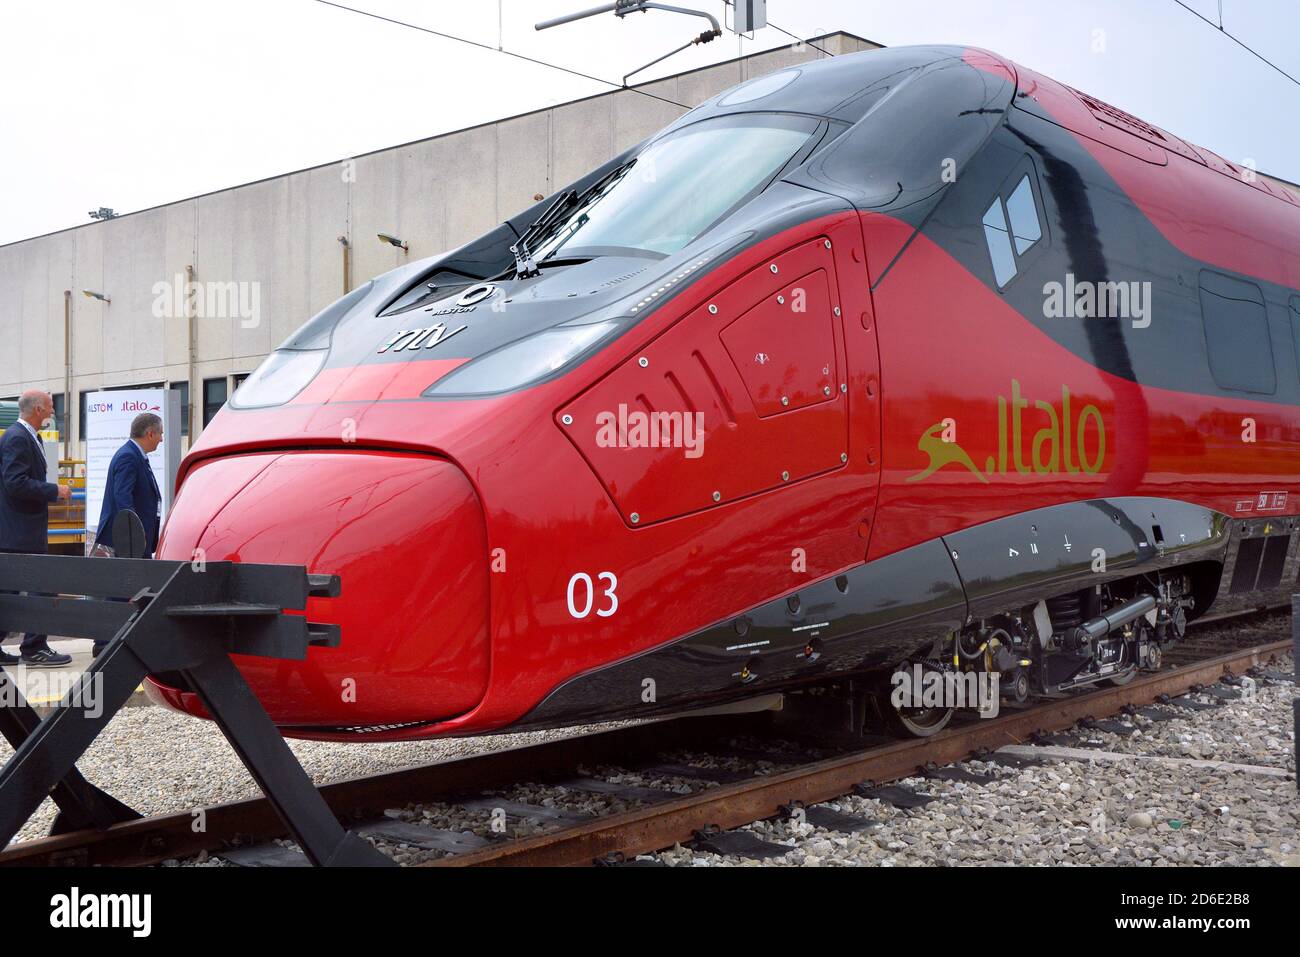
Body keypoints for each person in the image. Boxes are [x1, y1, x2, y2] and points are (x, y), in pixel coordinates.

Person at [0, 390, 73, 667]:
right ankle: (34, 648)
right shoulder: (18, 438)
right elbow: (15, 483)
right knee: (42, 586)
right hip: (20, 532)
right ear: (39, 409)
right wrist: (54, 490)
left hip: (19, 530)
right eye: (51, 406)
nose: (53, 411)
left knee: (9, 593)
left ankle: (32, 646)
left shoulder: (27, 436)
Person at [90, 413, 163, 656]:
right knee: (119, 589)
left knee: (131, 587)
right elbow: (123, 497)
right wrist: (133, 533)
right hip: (126, 539)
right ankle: (104, 643)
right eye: (160, 434)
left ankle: (120, 639)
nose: (161, 439)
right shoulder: (128, 456)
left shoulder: (135, 456)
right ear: (150, 433)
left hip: (133, 538)